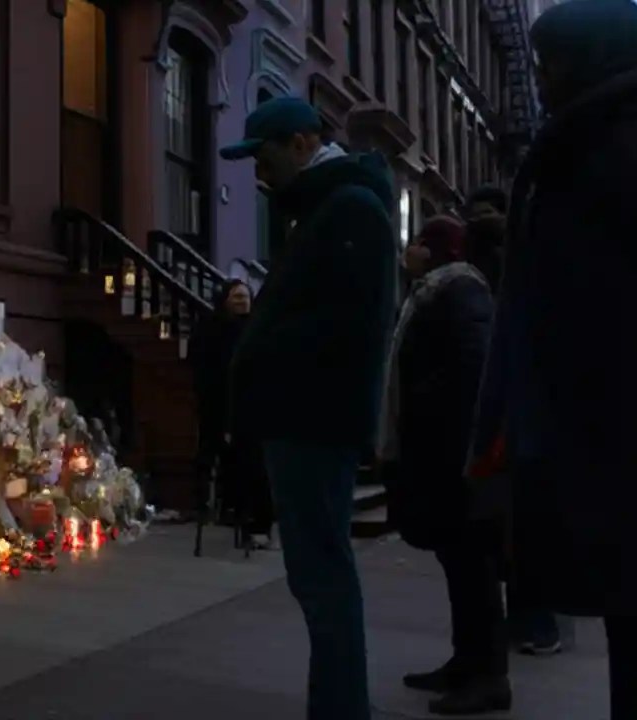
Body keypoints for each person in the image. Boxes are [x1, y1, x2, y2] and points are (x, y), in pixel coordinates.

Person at [468, 2, 637, 718]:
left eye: (547, 63)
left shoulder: (626, 137)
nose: (539, 78)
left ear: (581, 61)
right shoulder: (628, 127)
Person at [221, 96, 396, 720]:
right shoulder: (329, 207)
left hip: (313, 421)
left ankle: (342, 709)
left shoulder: (349, 208)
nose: (258, 172)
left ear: (300, 144)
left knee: (322, 577)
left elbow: (349, 330)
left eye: (263, 155)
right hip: (304, 418)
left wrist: (265, 359)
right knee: (318, 577)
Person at [380, 216, 506, 715]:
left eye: (417, 242)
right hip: (444, 453)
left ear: (434, 252)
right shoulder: (438, 293)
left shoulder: (460, 293)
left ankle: (490, 675)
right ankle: (466, 662)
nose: (408, 249)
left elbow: (470, 373)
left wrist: (425, 413)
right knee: (459, 566)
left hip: (456, 458)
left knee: (473, 567)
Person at [461, 186, 563, 657]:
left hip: (520, 420)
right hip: (518, 416)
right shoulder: (523, 264)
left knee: (519, 530)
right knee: (516, 531)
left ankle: (536, 624)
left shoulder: (505, 270)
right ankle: (530, 621)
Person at [190, 279, 273, 549]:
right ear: (225, 300)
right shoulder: (211, 330)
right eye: (236, 297)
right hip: (218, 409)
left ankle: (258, 523)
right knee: (223, 462)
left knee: (256, 466)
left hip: (251, 410)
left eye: (245, 297)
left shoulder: (255, 329)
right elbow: (204, 372)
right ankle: (226, 508)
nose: (242, 302)